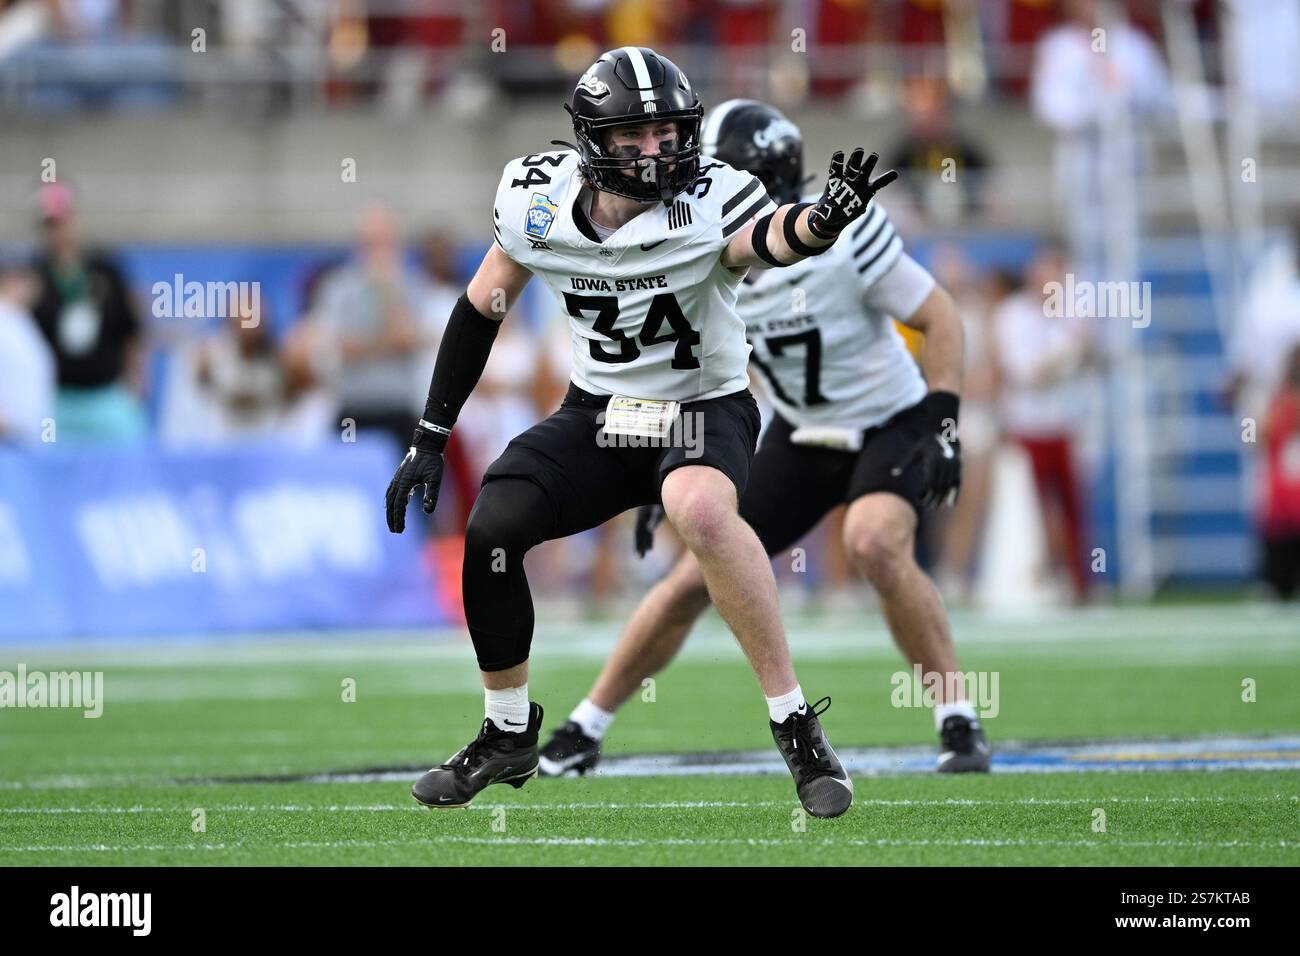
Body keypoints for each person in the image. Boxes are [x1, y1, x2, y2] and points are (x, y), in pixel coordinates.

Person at [385, 48, 896, 818]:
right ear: (594, 139)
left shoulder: (713, 199)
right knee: (494, 524)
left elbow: (771, 238)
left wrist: (820, 221)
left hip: (702, 405)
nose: (659, 149)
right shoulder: (538, 200)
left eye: (669, 131)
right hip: (604, 413)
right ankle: (507, 731)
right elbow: (482, 305)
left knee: (698, 509)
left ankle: (796, 725)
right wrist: (430, 434)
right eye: (638, 134)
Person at [538, 100, 989, 778]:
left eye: (717, 174)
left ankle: (957, 718)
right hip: (801, 433)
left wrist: (944, 419)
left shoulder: (845, 234)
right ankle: (585, 727)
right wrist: (658, 477)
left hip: (887, 421)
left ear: (764, 182)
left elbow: (940, 317)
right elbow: (695, 380)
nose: (696, 186)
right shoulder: (698, 249)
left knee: (872, 541)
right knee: (696, 571)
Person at [29, 182, 147, 444]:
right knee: (46, 462)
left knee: (134, 450)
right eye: (50, 225)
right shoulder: (35, 277)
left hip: (106, 397)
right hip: (59, 401)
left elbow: (132, 332)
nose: (58, 232)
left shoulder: (106, 270)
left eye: (63, 222)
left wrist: (134, 388)